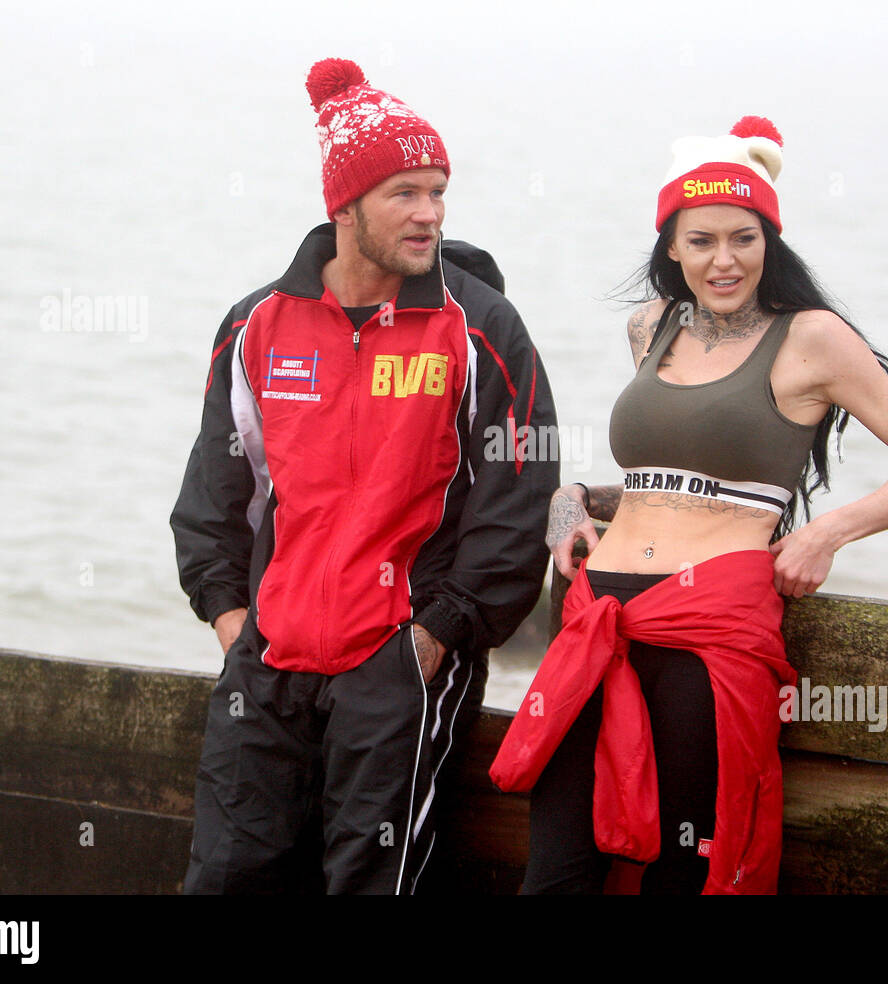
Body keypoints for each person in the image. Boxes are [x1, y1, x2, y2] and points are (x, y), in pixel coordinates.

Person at [490, 115, 888, 894]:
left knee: (685, 864)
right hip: (595, 612)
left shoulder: (813, 337)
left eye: (743, 237)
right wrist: (573, 500)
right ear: (670, 247)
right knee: (559, 863)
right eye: (701, 239)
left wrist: (827, 534)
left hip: (708, 629)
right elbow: (670, 477)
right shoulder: (651, 327)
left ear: (769, 240)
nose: (724, 259)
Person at [171, 57, 559, 894]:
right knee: (225, 877)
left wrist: (435, 635)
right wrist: (234, 623)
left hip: (400, 661)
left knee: (368, 883)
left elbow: (518, 498)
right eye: (405, 193)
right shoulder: (256, 325)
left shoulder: (481, 328)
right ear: (343, 206)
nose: (431, 214)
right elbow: (215, 491)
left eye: (438, 191)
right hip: (267, 663)